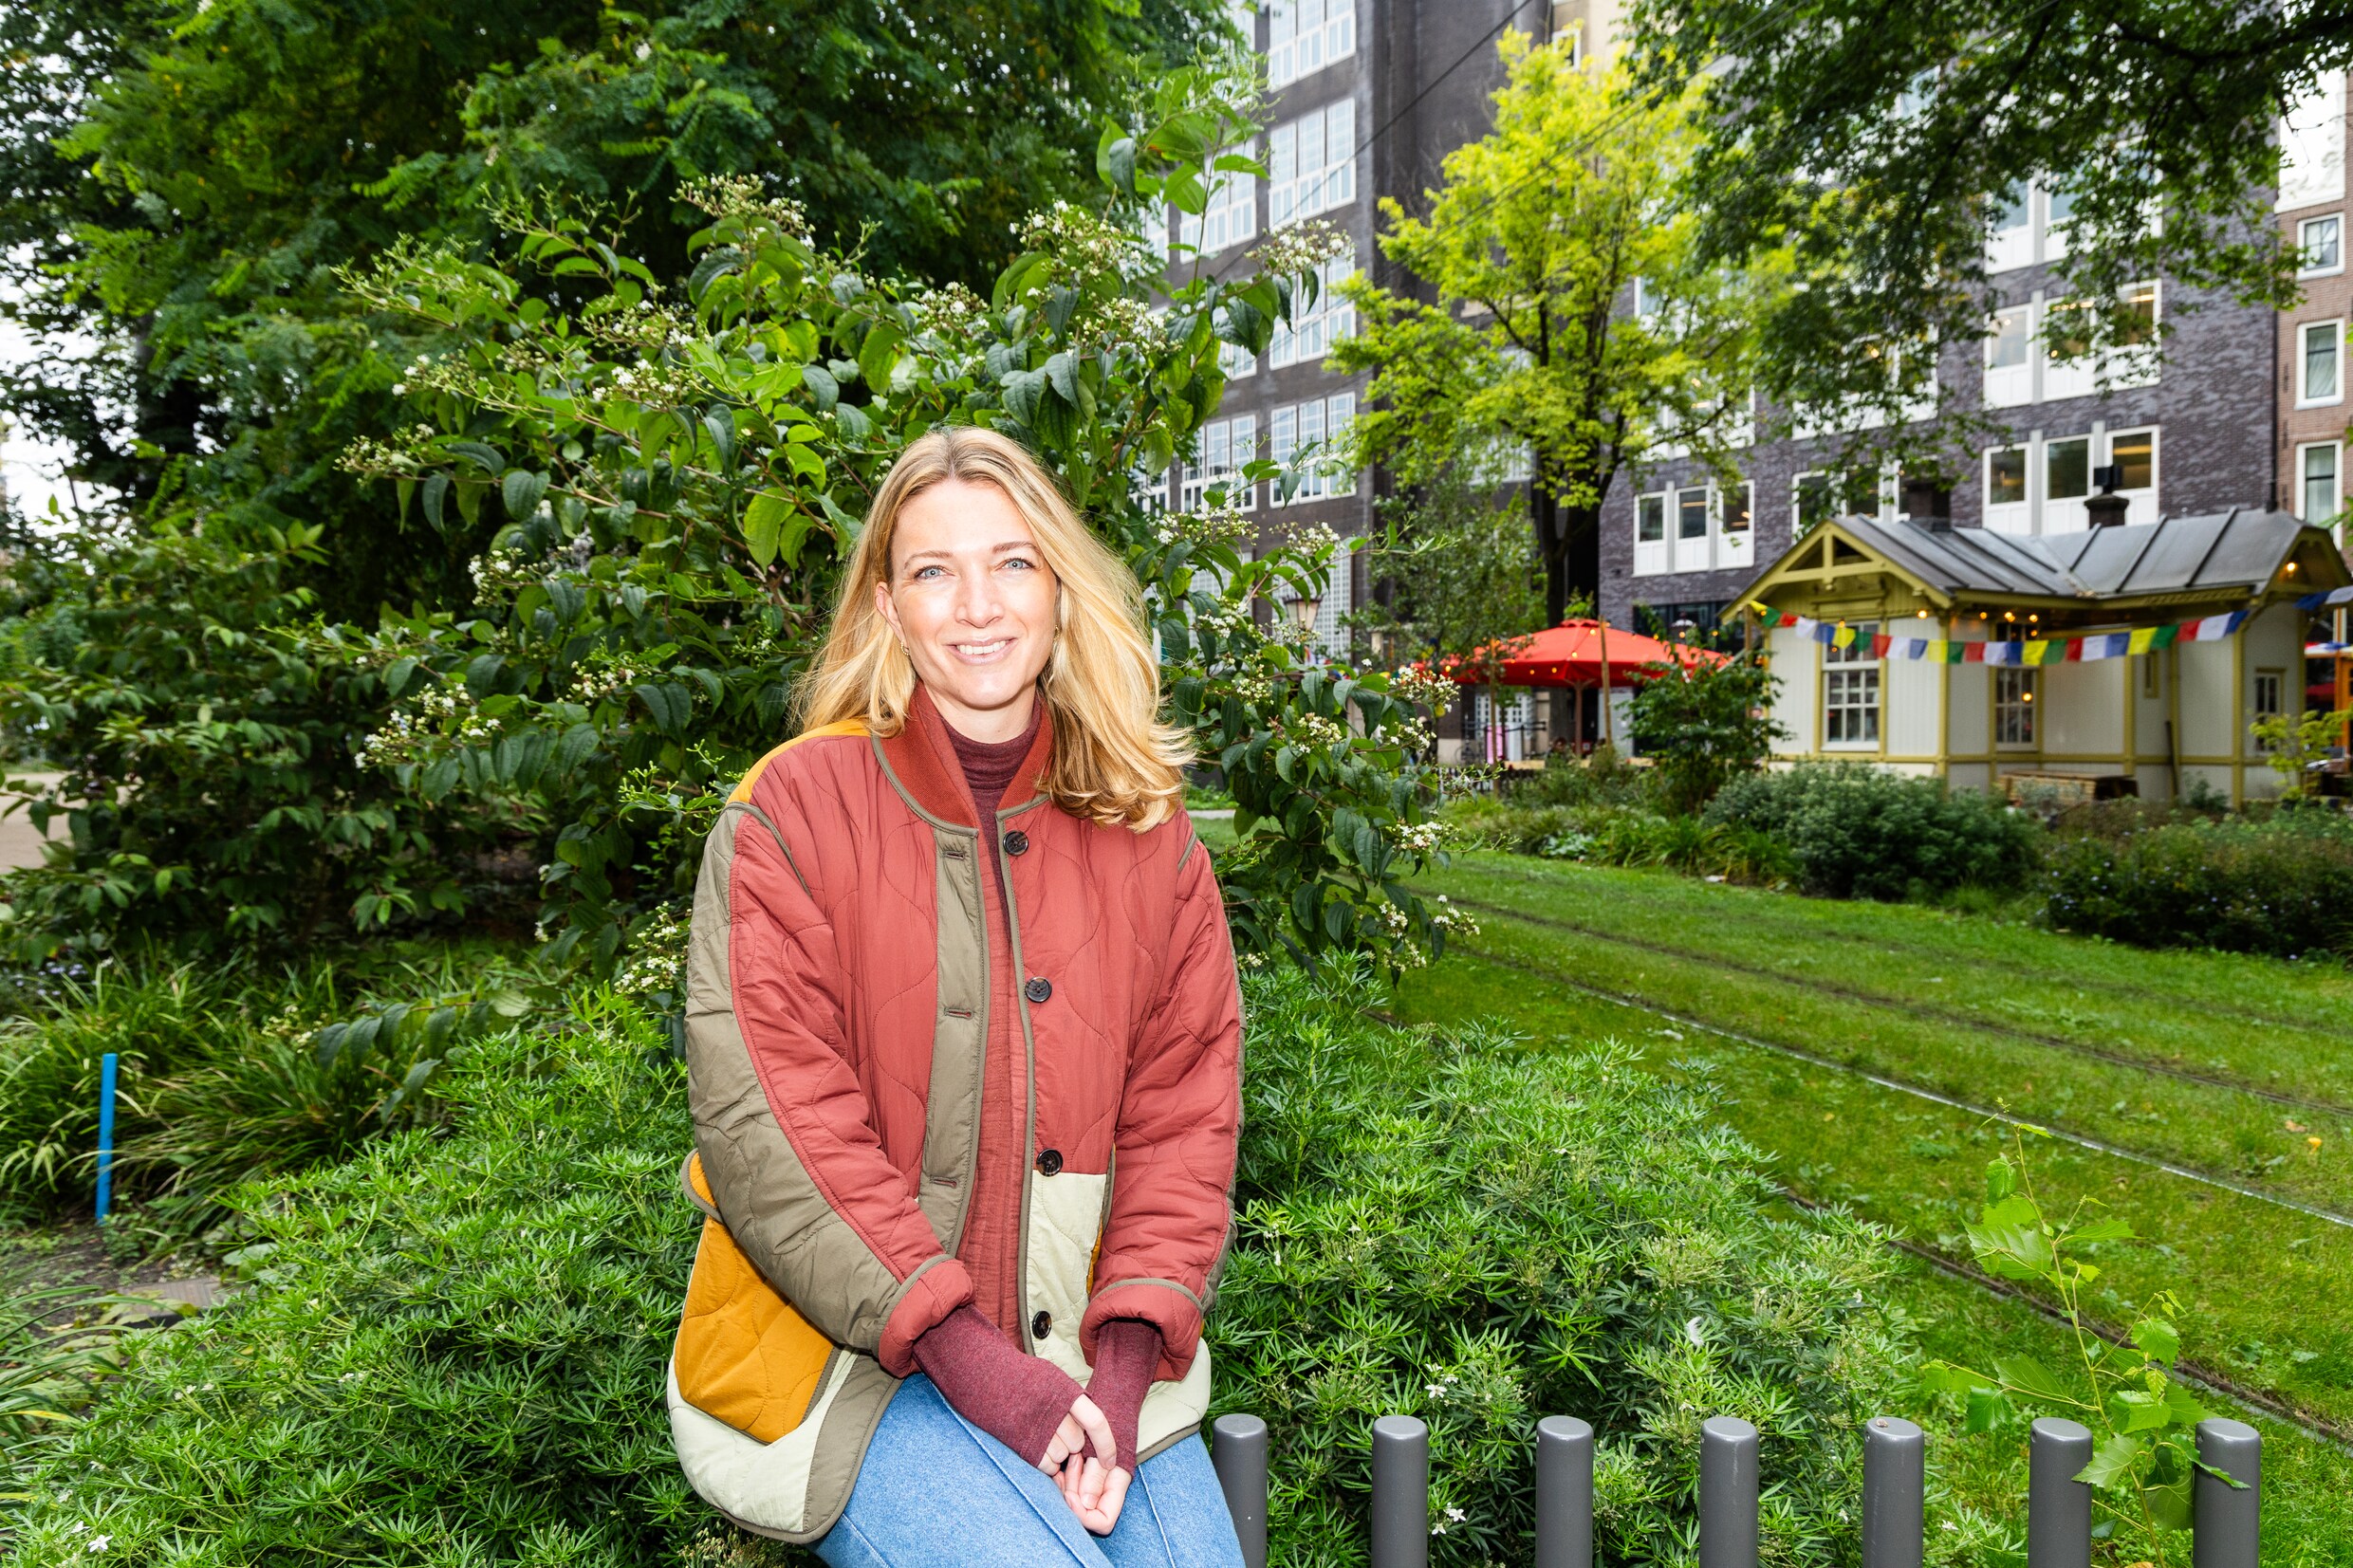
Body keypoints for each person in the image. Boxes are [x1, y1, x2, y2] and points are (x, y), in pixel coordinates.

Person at [665, 426, 1246, 1568]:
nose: (976, 605)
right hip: (851, 1358)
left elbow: (1184, 1115)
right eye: (934, 571)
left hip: (1091, 1353)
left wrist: (1121, 1372)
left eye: (1011, 563)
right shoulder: (789, 813)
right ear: (888, 607)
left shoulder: (1146, 829)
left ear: (1059, 590)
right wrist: (987, 1377)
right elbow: (773, 1131)